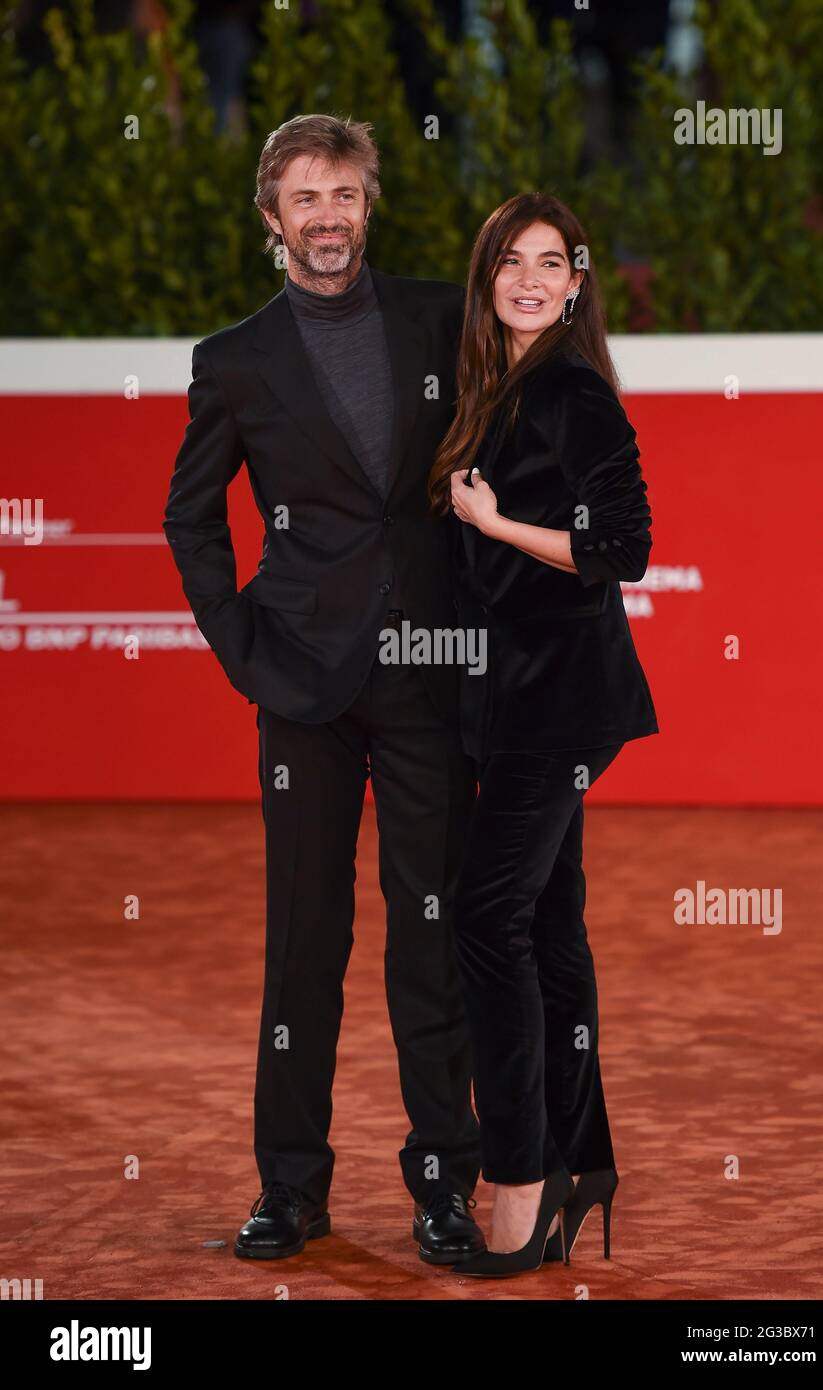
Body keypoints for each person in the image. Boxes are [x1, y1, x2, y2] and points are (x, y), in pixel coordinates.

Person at [163, 114, 484, 1264]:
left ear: (368, 201)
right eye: (304, 198)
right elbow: (189, 517)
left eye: (343, 193)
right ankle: (291, 1187)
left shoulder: (439, 318)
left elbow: (503, 448)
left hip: (428, 678)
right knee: (304, 942)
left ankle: (444, 1184)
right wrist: (243, 648)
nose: (327, 216)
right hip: (301, 684)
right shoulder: (235, 360)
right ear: (272, 217)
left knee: (431, 937)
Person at [429, 192, 659, 1278]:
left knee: (484, 916)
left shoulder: (570, 391)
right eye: (506, 262)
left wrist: (491, 522)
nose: (527, 278)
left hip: (557, 696)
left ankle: (517, 1180)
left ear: (575, 284)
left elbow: (622, 549)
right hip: (517, 696)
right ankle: (581, 1162)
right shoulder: (495, 389)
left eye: (548, 263)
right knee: (549, 925)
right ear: (485, 282)